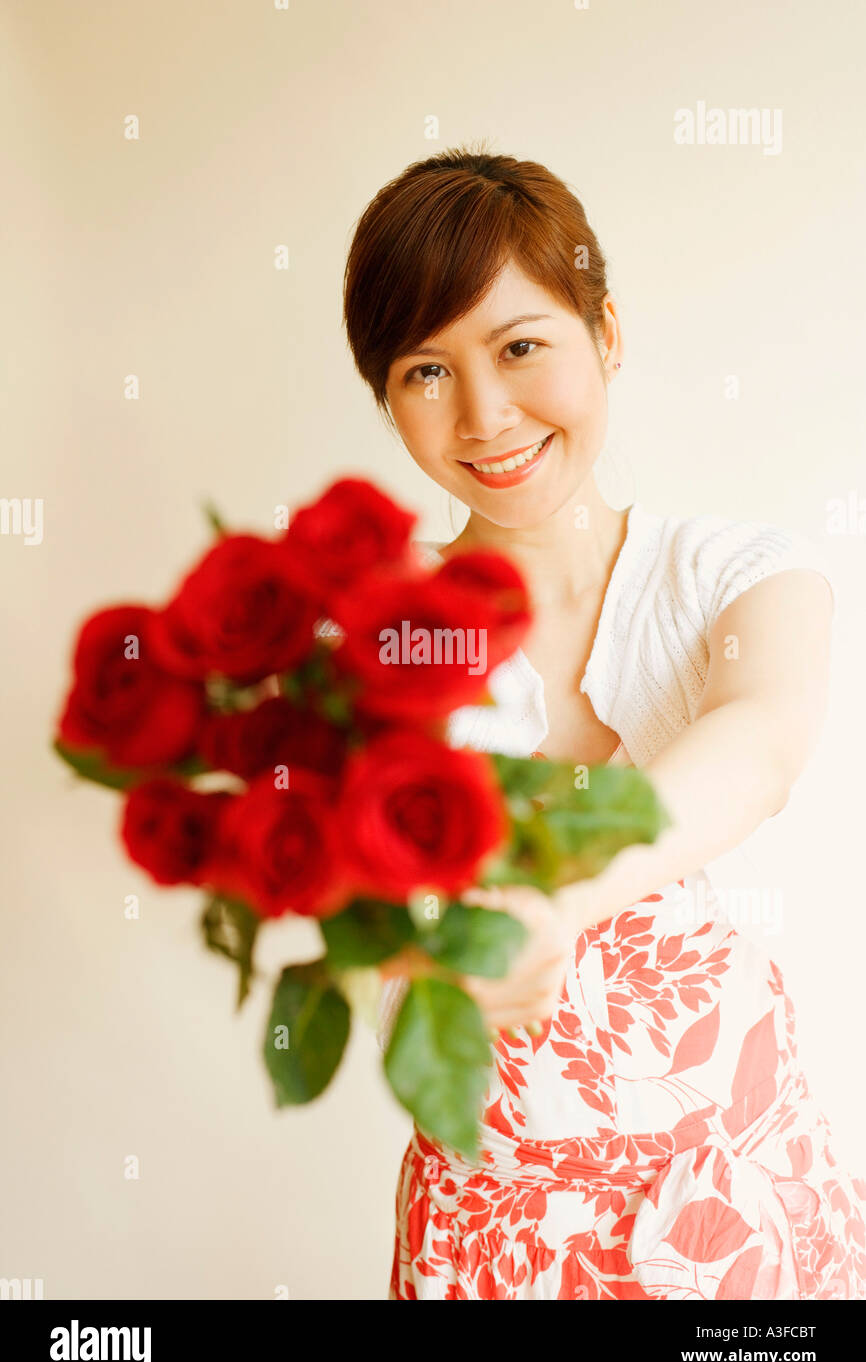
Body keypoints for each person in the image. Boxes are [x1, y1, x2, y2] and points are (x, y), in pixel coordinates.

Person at [342, 143, 866, 1300]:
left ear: (607, 333)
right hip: (492, 1236)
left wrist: (555, 902)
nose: (483, 414)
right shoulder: (371, 645)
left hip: (736, 1214)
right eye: (425, 371)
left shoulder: (731, 577)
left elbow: (758, 747)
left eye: (521, 345)